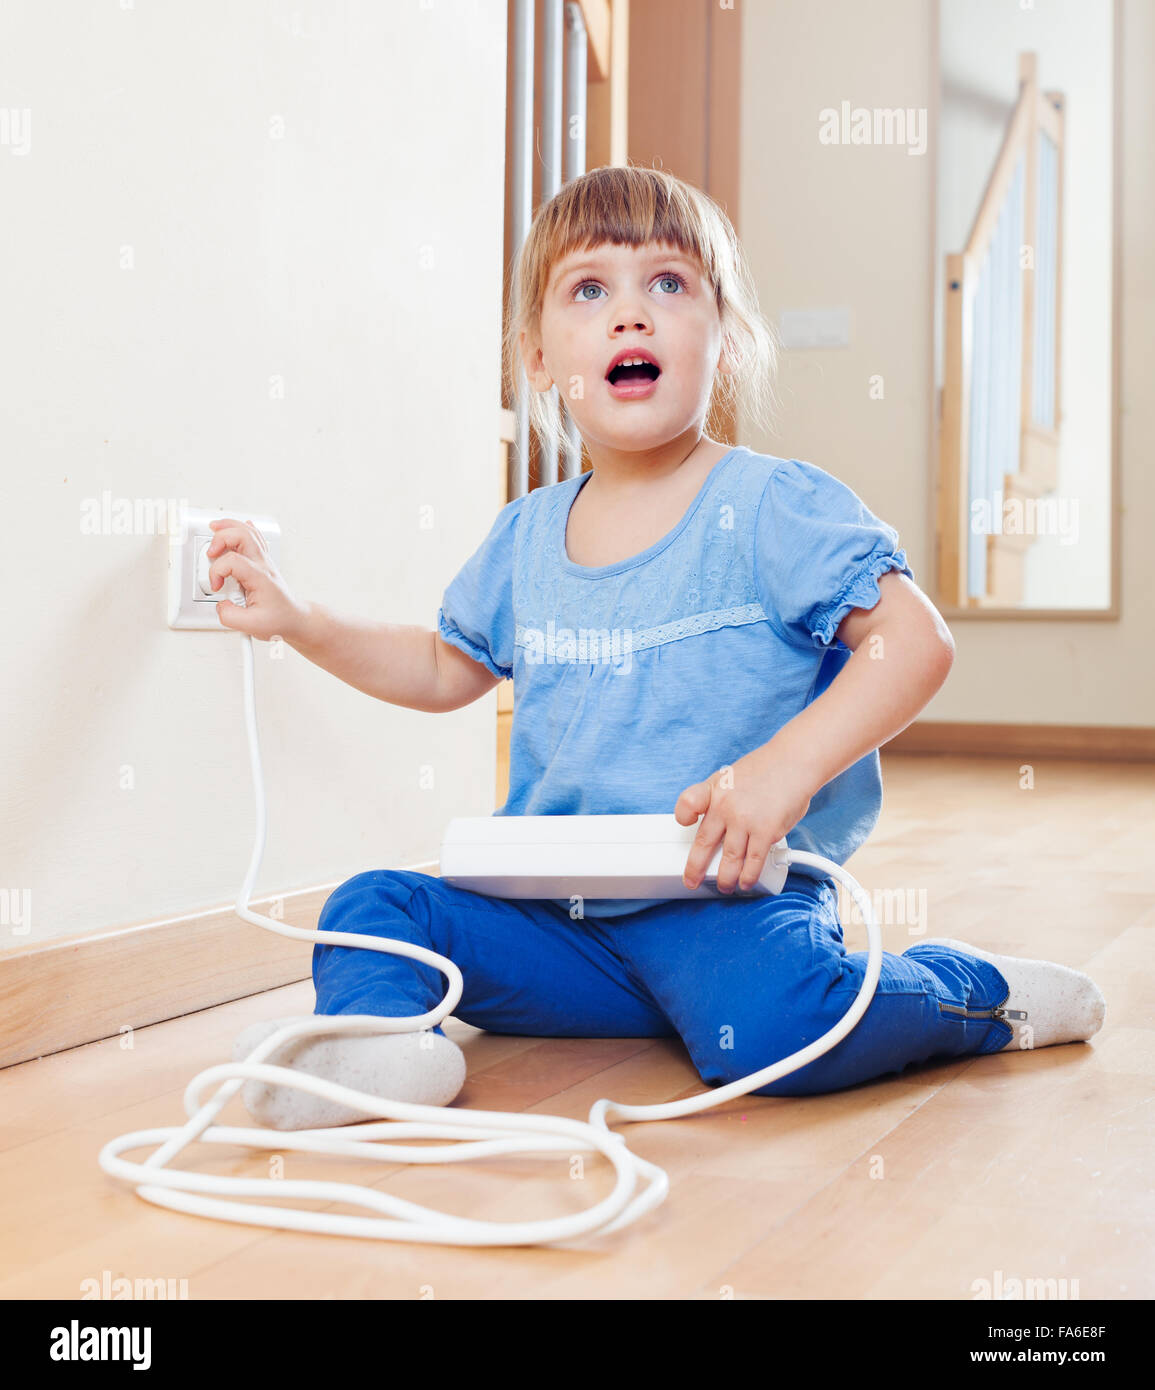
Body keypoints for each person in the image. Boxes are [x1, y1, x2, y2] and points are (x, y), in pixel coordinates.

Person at [209, 165, 1105, 1131]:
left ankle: (972, 994)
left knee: (780, 1033)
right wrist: (299, 619)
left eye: (668, 284)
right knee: (373, 906)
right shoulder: (523, 537)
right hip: (555, 922)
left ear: (726, 341)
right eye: (589, 290)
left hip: (724, 913)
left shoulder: (773, 506)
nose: (629, 315)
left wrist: (782, 771)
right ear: (538, 358)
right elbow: (439, 667)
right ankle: (372, 1046)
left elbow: (913, 641)